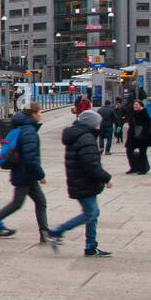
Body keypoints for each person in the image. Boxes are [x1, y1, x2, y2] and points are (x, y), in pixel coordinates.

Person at [0, 101, 49, 244]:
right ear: (33, 114)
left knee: (40, 202)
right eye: (40, 112)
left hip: (24, 173)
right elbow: (30, 157)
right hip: (25, 174)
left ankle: (45, 234)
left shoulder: (23, 128)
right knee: (17, 203)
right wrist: (41, 175)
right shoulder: (29, 131)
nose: (41, 115)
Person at [46, 109, 113, 256]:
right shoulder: (86, 138)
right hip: (84, 182)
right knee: (90, 213)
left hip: (81, 180)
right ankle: (57, 231)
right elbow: (91, 165)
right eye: (98, 123)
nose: (100, 126)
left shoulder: (80, 136)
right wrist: (106, 178)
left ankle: (90, 246)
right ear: (92, 124)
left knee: (94, 213)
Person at [124, 99, 151, 175]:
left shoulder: (144, 113)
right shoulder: (133, 113)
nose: (135, 106)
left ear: (141, 106)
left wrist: (142, 133)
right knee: (129, 151)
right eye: (134, 105)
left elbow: (147, 124)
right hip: (133, 136)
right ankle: (134, 167)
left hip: (142, 136)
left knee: (142, 153)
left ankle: (143, 168)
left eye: (137, 105)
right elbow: (130, 122)